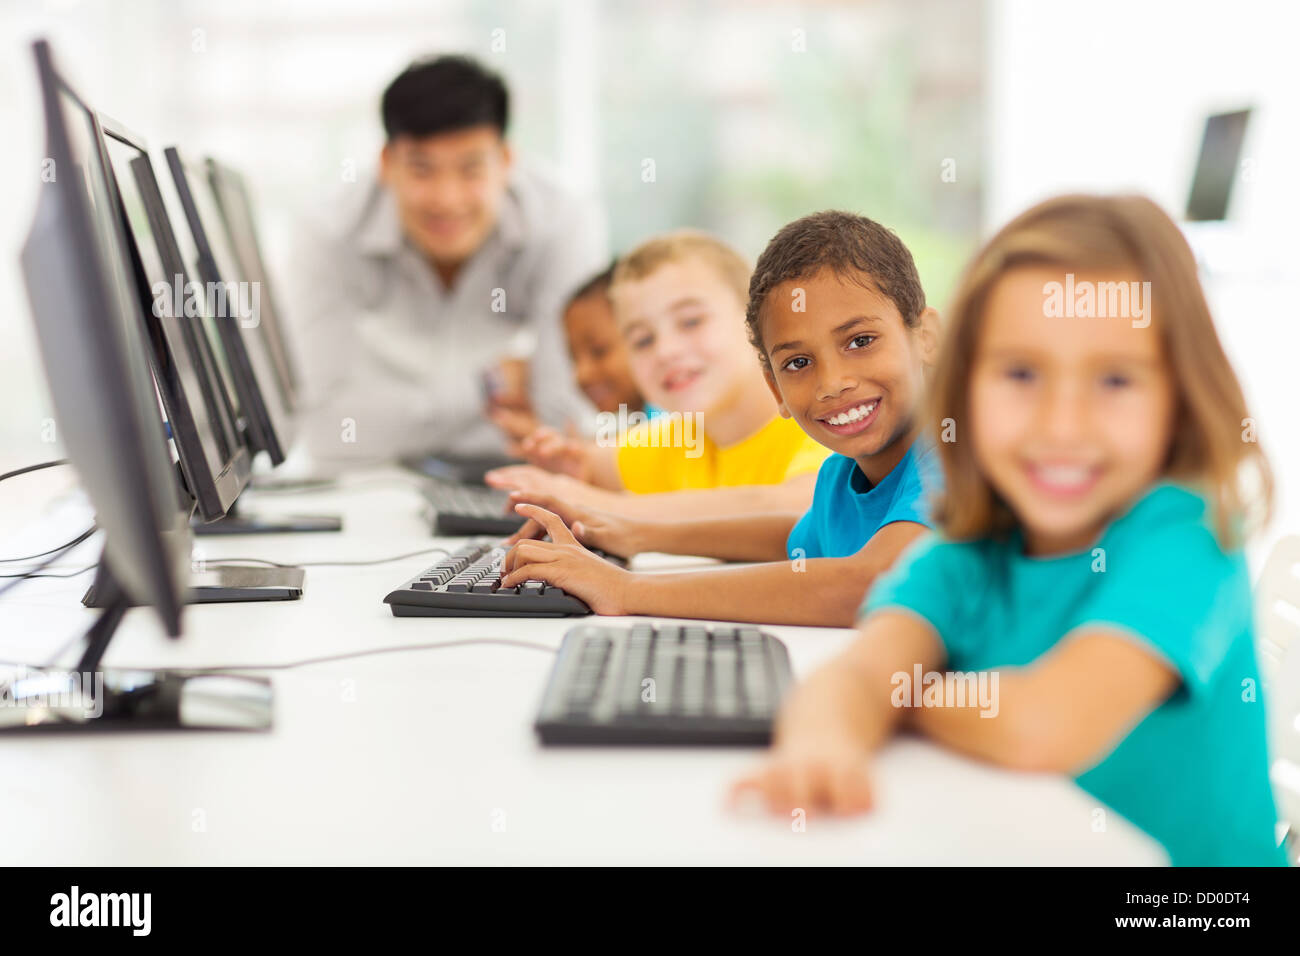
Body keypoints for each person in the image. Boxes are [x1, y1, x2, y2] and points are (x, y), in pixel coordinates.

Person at [732, 195, 1285, 867]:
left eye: (1114, 379)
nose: (1060, 422)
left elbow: (1042, 723)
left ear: (1180, 394)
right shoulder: (968, 547)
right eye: (1021, 374)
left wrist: (898, 699)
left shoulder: (1187, 537)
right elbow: (846, 682)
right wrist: (822, 744)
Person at [499, 211, 942, 627]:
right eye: (799, 363)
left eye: (860, 340)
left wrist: (625, 588)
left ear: (927, 338)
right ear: (776, 391)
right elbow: (791, 538)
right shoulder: (840, 476)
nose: (833, 382)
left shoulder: (955, 455)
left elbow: (868, 582)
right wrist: (628, 531)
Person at [285, 54, 605, 466]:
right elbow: (322, 417)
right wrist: (491, 388)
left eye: (471, 170)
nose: (447, 199)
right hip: (381, 475)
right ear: (386, 164)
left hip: (503, 473)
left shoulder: (561, 219)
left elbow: (567, 419)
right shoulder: (330, 230)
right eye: (422, 170)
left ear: (506, 162)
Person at [485, 230, 829, 518]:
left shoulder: (819, 419)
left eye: (691, 321)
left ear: (759, 320)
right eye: (642, 339)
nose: (665, 351)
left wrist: (597, 504)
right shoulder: (679, 438)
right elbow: (593, 463)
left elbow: (796, 508)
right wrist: (573, 471)